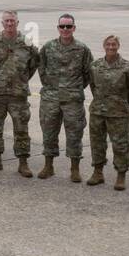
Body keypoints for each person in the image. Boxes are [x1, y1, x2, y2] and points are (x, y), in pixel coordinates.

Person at [0, 9, 39, 176]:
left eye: (12, 21)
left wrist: (21, 79)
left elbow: (34, 64)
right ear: (2, 23)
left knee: (21, 130)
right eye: (6, 21)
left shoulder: (27, 42)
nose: (9, 24)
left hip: (18, 95)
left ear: (17, 23)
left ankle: (23, 163)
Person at [38, 13, 93, 182]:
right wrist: (52, 87)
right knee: (49, 132)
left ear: (74, 28)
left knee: (75, 134)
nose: (65, 29)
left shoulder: (82, 49)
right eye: (62, 26)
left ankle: (74, 169)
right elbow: (42, 69)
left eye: (69, 26)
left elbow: (88, 73)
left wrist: (73, 88)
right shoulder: (48, 47)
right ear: (58, 28)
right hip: (50, 98)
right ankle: (48, 166)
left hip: (73, 99)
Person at [87, 33, 129, 191]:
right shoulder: (95, 65)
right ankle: (98, 172)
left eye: (113, 44)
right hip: (97, 111)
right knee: (97, 143)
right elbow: (93, 86)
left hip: (118, 112)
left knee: (120, 144)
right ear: (104, 46)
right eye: (108, 44)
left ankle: (121, 175)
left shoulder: (127, 67)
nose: (111, 47)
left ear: (118, 46)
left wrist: (121, 103)